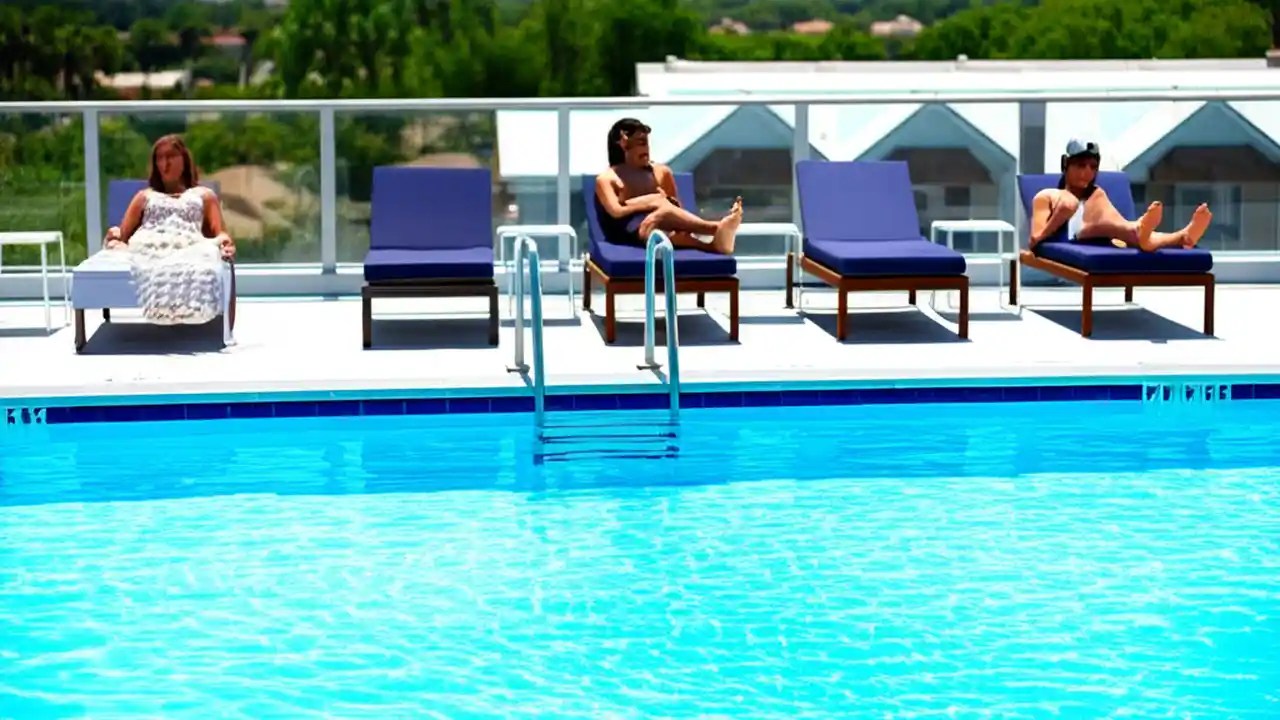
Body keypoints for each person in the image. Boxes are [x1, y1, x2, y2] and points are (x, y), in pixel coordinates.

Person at [104, 134, 237, 328]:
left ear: (184, 159)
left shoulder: (204, 196)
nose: (165, 163)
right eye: (159, 158)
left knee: (205, 261)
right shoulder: (144, 197)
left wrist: (226, 243)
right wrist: (114, 237)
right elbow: (123, 236)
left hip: (191, 246)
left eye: (171, 156)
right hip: (149, 248)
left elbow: (220, 233)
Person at [1029, 139, 1213, 252]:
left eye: (1092, 167)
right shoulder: (1047, 195)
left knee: (1121, 226)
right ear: (1065, 164)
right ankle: (1141, 232)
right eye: (1080, 165)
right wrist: (1061, 214)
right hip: (1073, 233)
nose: (1087, 172)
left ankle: (1181, 237)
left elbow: (1113, 223)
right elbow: (1035, 238)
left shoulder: (1096, 193)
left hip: (1101, 229)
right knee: (1119, 228)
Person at [593, 117, 743, 254]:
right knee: (661, 213)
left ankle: (716, 245)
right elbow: (616, 212)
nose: (647, 149)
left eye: (647, 143)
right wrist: (651, 201)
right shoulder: (607, 179)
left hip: (658, 229)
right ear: (623, 144)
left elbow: (676, 211)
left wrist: (665, 203)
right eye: (641, 143)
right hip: (626, 233)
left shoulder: (660, 172)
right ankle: (717, 228)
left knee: (670, 225)